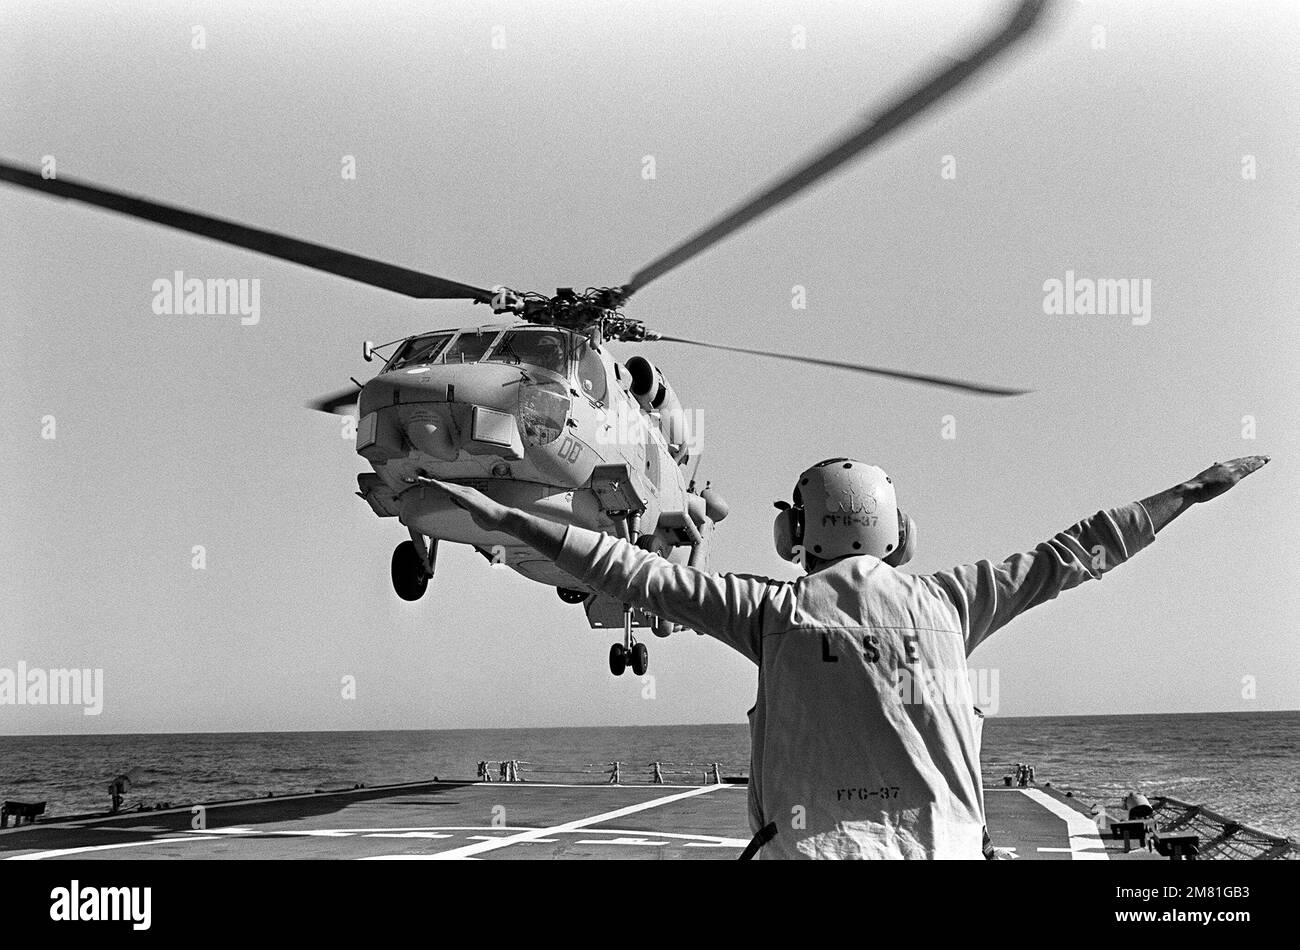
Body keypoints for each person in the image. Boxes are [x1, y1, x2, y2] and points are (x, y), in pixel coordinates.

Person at [426, 455, 1268, 859]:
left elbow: (621, 566)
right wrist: (1186, 495)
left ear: (796, 535)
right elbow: (1077, 552)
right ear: (900, 536)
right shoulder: (953, 600)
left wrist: (502, 519)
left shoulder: (768, 610)